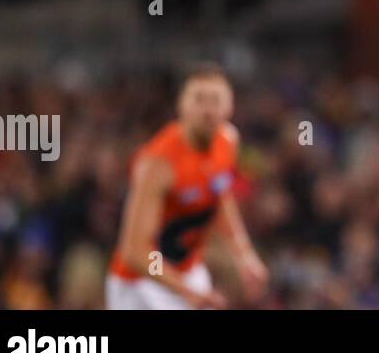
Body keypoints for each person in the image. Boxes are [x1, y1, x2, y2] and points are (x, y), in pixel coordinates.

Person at [106, 65, 267, 309]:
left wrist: (244, 254)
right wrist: (183, 290)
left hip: (188, 271)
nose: (208, 110)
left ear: (230, 106)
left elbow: (220, 197)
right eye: (199, 99)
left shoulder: (228, 141)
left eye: (216, 100)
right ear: (181, 105)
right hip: (142, 283)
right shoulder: (158, 163)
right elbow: (135, 251)